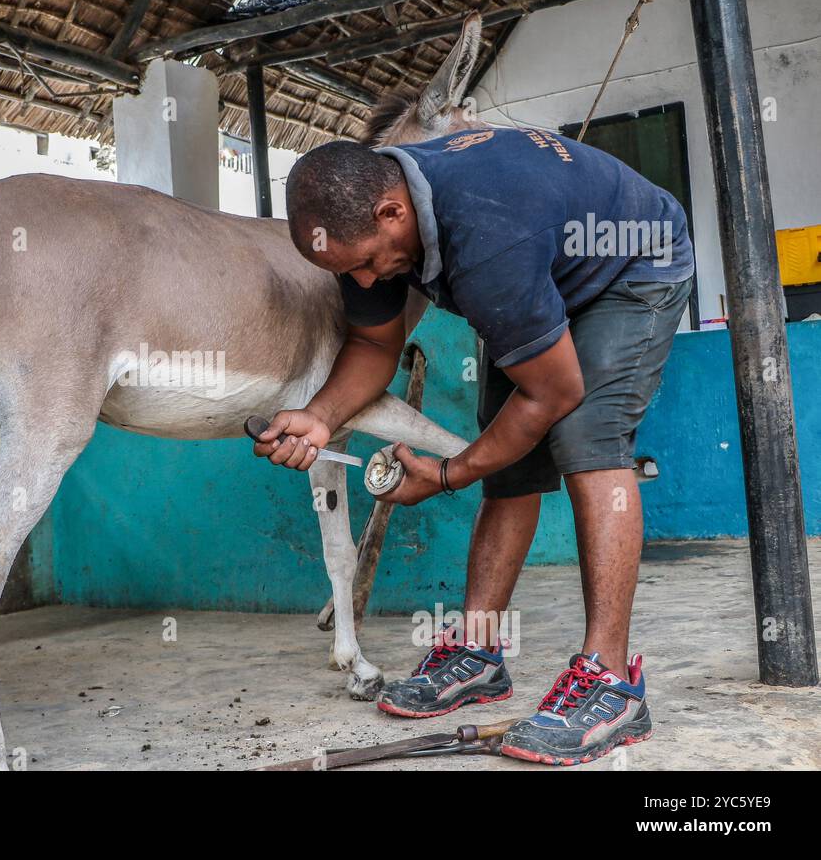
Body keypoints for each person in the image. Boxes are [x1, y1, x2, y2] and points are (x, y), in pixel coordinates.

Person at [257, 127, 693, 764]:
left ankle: (612, 683)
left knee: (585, 434)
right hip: (543, 274)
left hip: (633, 266)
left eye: (363, 263)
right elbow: (375, 345)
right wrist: (320, 418)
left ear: (393, 211)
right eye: (345, 269)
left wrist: (445, 474)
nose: (361, 278)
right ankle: (479, 652)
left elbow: (554, 393)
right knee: (507, 446)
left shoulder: (488, 237)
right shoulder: (365, 230)